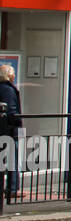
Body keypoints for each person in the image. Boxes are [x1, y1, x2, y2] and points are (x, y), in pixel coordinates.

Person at [0, 64, 21, 204]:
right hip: (8, 130)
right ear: (9, 75)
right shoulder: (8, 89)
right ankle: (12, 189)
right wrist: (18, 122)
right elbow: (11, 111)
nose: (14, 76)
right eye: (13, 74)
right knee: (12, 160)